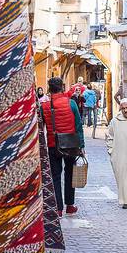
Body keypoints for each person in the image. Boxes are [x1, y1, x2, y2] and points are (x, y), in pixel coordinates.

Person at [40, 76, 84, 215]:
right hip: (71, 144)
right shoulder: (71, 103)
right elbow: (78, 125)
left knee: (55, 176)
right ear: (62, 87)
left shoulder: (44, 106)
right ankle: (70, 205)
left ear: (49, 89)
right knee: (70, 174)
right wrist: (81, 145)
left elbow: (42, 127)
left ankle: (58, 208)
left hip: (54, 145)